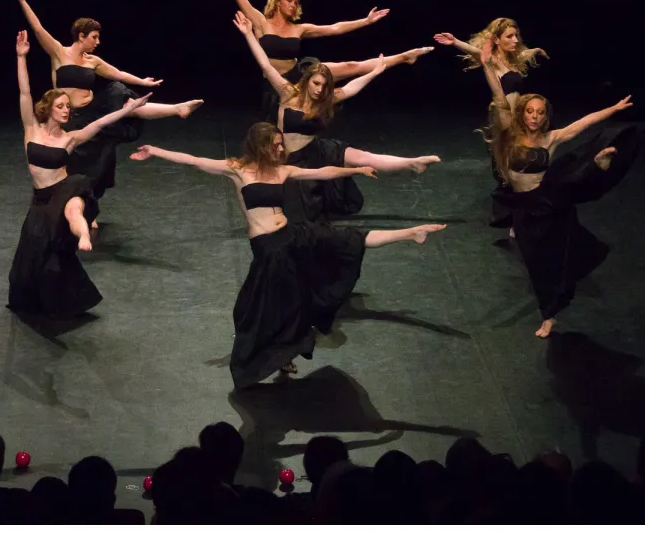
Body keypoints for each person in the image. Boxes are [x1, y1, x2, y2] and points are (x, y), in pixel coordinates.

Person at [131, 123, 446, 387]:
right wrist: (155, 151)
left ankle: (410, 233)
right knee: (259, 309)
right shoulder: (237, 170)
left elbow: (322, 172)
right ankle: (275, 356)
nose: (281, 150)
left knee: (345, 241)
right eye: (275, 146)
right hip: (268, 250)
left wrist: (358, 168)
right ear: (259, 146)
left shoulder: (283, 171)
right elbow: (192, 159)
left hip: (291, 236)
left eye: (281, 145)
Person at [479, 39, 637, 338]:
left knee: (555, 258)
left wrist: (613, 109)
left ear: (544, 116)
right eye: (530, 111)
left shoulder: (550, 139)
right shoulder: (509, 134)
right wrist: (487, 65)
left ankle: (549, 314)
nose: (535, 117)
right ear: (522, 113)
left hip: (548, 203)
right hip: (523, 208)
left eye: (540, 112)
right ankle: (595, 165)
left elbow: (583, 124)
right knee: (534, 260)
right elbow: (499, 97)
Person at [10, 0, 202, 226]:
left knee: (125, 102)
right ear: (81, 36)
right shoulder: (59, 52)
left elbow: (119, 74)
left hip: (95, 108)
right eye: (94, 37)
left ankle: (177, 108)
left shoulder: (93, 60)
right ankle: (78, 209)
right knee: (78, 167)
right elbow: (37, 29)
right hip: (71, 115)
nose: (97, 42)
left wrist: (143, 81)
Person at [234, 10, 439, 222]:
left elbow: (351, 88)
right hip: (289, 157)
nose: (319, 90)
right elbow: (266, 65)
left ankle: (413, 163)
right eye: (316, 84)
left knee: (363, 157)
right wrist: (249, 34)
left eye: (324, 86)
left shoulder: (325, 99)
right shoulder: (288, 93)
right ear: (306, 81)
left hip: (316, 150)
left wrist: (375, 72)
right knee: (295, 212)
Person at [8, 31, 149, 317]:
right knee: (35, 258)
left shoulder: (69, 139)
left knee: (74, 209)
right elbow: (24, 92)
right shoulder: (31, 130)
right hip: (41, 200)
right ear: (47, 108)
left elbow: (99, 124)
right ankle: (51, 298)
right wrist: (21, 58)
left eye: (67, 107)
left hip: (65, 189)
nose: (65, 111)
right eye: (60, 106)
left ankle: (84, 235)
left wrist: (129, 109)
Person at [206, 0, 393, 121]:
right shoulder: (260, 21)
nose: (293, 5)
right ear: (278, 1)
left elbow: (334, 28)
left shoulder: (299, 28)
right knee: (276, 134)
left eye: (295, 2)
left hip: (299, 76)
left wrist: (366, 21)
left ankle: (402, 57)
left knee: (351, 66)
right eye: (289, 0)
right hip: (275, 83)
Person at [433, 18, 549, 232]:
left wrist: (535, 50)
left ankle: (516, 215)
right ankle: (514, 217)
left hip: (517, 119)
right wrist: (456, 41)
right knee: (509, 166)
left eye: (516, 36)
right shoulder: (494, 60)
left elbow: (523, 54)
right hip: (503, 119)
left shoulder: (511, 59)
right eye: (509, 36)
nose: (515, 40)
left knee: (516, 163)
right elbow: (478, 54)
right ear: (496, 40)